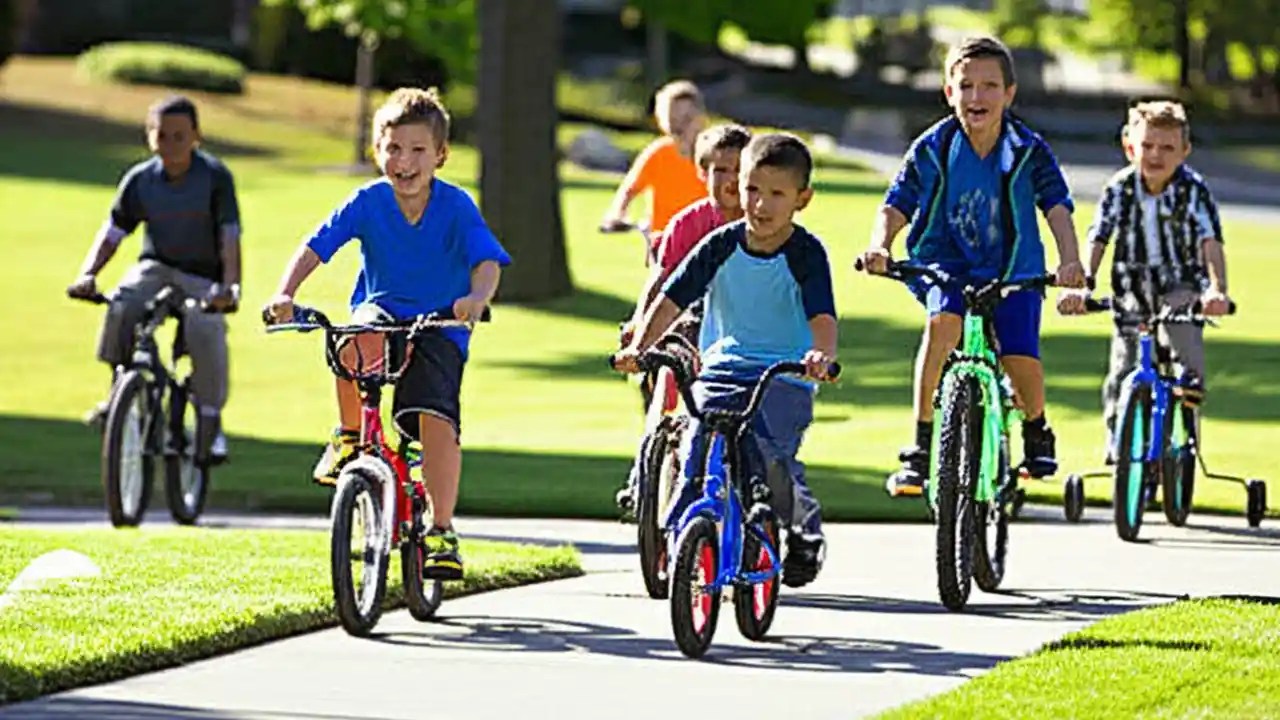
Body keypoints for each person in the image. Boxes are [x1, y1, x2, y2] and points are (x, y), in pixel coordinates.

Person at [263, 87, 511, 580]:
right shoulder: (369, 201)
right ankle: (350, 435)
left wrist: (476, 299)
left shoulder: (457, 206)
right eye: (393, 149)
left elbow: (486, 261)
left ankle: (441, 528)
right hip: (382, 311)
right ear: (377, 151)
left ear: (440, 155)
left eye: (418, 150)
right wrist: (284, 292)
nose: (404, 161)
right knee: (350, 340)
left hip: (441, 322)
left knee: (434, 419)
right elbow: (317, 245)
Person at [856, 35, 1087, 497]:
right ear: (949, 93)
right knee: (942, 325)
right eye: (965, 86)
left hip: (1013, 268)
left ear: (1009, 94)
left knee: (1019, 357)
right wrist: (880, 245)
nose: (976, 97)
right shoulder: (934, 146)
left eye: (989, 86)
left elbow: (1057, 207)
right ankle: (920, 446)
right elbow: (896, 203)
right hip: (946, 262)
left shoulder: (1027, 148)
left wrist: (1070, 262)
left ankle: (1036, 428)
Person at [613, 132, 838, 588]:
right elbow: (672, 297)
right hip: (723, 367)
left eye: (777, 194)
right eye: (753, 190)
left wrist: (821, 354)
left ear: (802, 199)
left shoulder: (805, 253)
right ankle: (683, 523)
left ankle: (802, 527)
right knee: (697, 439)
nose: (761, 205)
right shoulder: (720, 244)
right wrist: (642, 347)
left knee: (770, 456)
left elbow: (822, 315)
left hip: (784, 374)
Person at [67, 94, 241, 464]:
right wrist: (88, 274)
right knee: (122, 303)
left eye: (180, 136)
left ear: (196, 136)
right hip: (157, 266)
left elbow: (229, 236)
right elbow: (114, 232)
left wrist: (229, 287)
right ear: (150, 137)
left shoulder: (214, 178)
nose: (170, 144)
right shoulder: (140, 180)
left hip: (202, 275)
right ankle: (118, 392)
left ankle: (210, 425)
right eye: (162, 135)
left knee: (205, 327)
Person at [1079, 100, 1231, 463]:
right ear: (1130, 146)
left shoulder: (1193, 190)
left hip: (1180, 289)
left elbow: (1210, 240)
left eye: (1167, 148)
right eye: (1147, 146)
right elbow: (1099, 236)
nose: (1155, 155)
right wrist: (1084, 283)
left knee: (1184, 351)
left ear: (1184, 151)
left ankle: (1184, 440)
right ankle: (1120, 448)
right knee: (1122, 370)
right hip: (1131, 293)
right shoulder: (1119, 189)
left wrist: (1217, 290)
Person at [614, 123, 752, 511]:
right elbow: (660, 281)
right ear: (701, 173)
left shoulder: (761, 225)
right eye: (719, 170)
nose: (729, 180)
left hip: (740, 324)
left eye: (739, 170)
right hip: (690, 316)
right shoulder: (688, 224)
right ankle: (646, 465)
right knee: (667, 369)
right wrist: (640, 327)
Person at [601, 79, 708, 264]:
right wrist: (617, 213)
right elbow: (630, 189)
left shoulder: (712, 156)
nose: (681, 128)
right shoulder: (659, 153)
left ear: (700, 118)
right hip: (665, 244)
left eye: (687, 119)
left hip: (704, 244)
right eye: (674, 121)